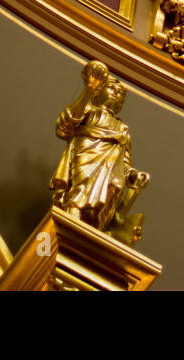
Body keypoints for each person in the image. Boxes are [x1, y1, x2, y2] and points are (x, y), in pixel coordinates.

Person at [51, 61, 148, 243]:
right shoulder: (88, 110)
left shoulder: (123, 129)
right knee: (80, 191)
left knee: (109, 197)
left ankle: (96, 231)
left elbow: (125, 162)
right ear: (99, 92)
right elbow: (65, 125)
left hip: (112, 174)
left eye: (122, 96)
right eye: (113, 90)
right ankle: (72, 218)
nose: (117, 95)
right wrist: (88, 89)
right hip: (86, 158)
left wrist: (133, 176)